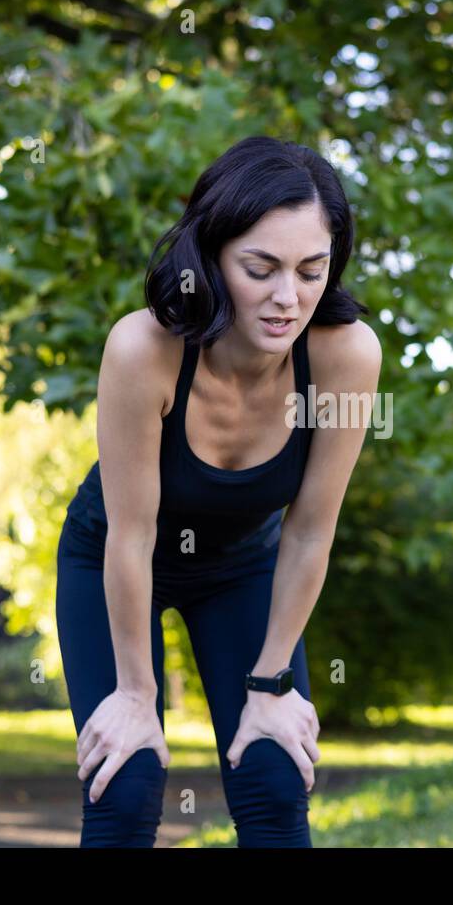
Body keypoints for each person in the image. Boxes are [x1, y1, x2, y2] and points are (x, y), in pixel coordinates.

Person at [55, 136, 382, 847]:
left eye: (310, 270)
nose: (287, 297)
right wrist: (136, 695)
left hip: (243, 566)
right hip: (114, 555)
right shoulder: (144, 349)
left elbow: (310, 529)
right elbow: (132, 533)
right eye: (259, 269)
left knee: (273, 773)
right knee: (127, 777)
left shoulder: (347, 357)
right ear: (210, 257)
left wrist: (270, 687)